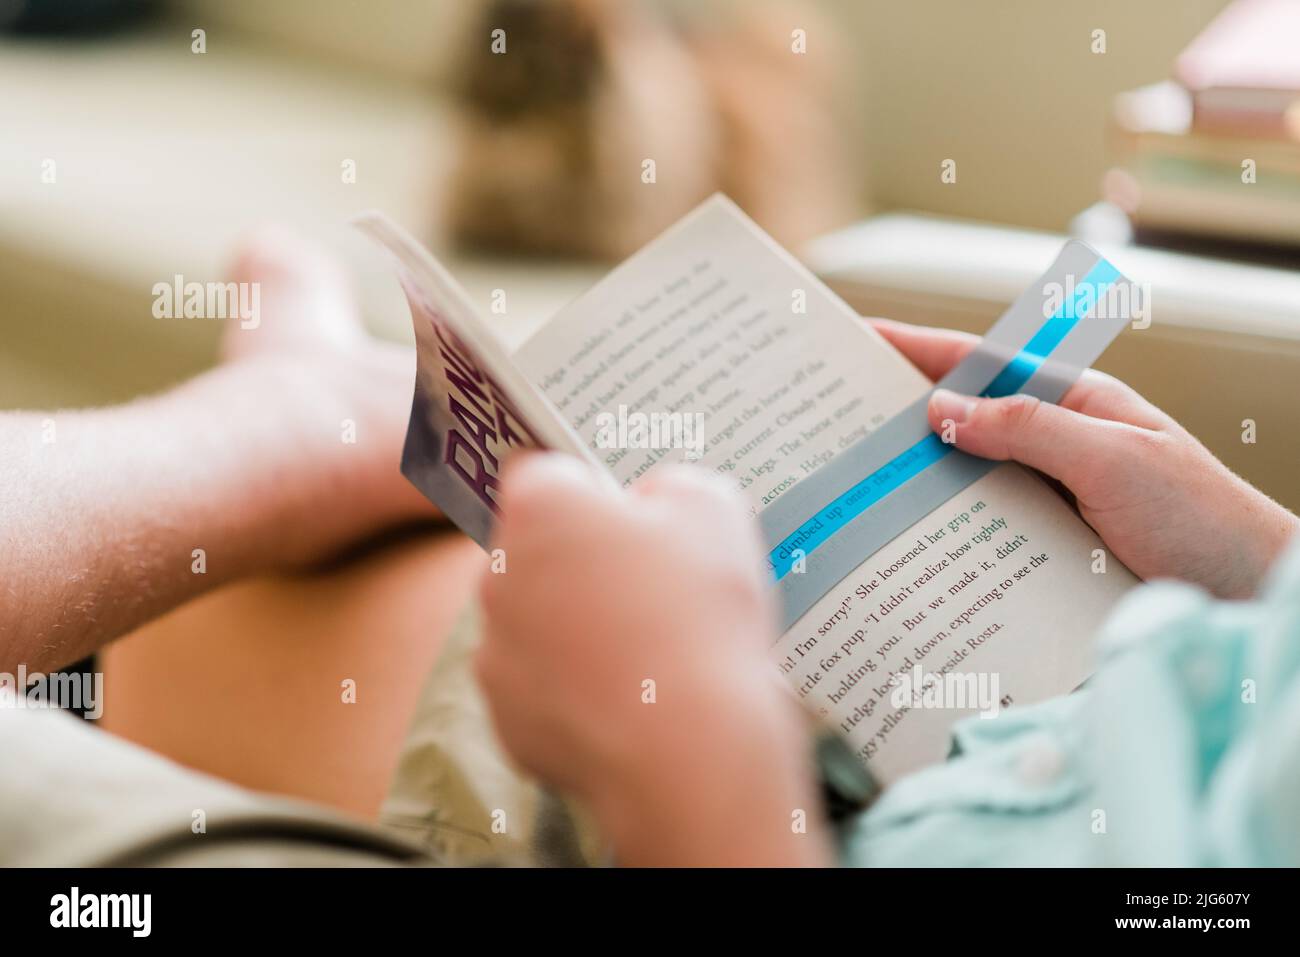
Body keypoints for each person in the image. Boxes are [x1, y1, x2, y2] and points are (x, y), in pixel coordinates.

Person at [2, 232, 1296, 866]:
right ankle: (318, 423)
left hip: (744, 807)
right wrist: (1259, 562)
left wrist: (691, 753)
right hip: (1013, 712)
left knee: (237, 626)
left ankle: (307, 422)